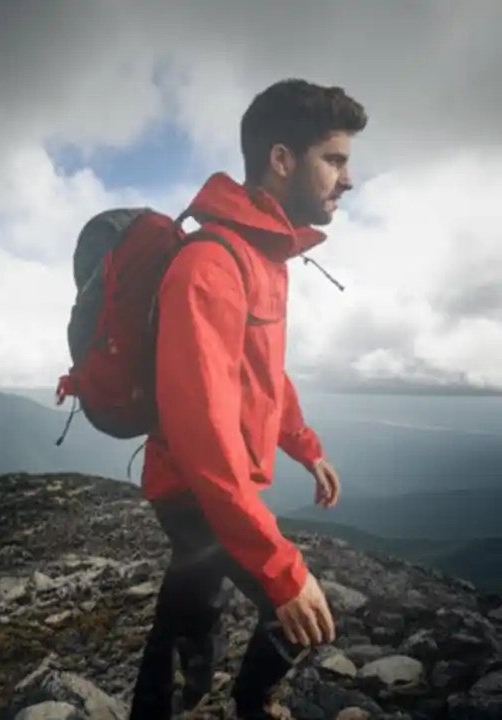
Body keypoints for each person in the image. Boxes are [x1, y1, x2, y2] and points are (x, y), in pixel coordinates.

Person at [128, 79, 367, 720]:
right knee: (299, 612)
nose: (347, 180)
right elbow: (203, 434)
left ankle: (187, 699)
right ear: (281, 158)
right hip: (196, 486)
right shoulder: (211, 265)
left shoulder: (263, 258)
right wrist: (284, 571)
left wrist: (305, 449)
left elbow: (263, 374)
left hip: (208, 484)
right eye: (335, 159)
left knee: (189, 614)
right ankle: (251, 704)